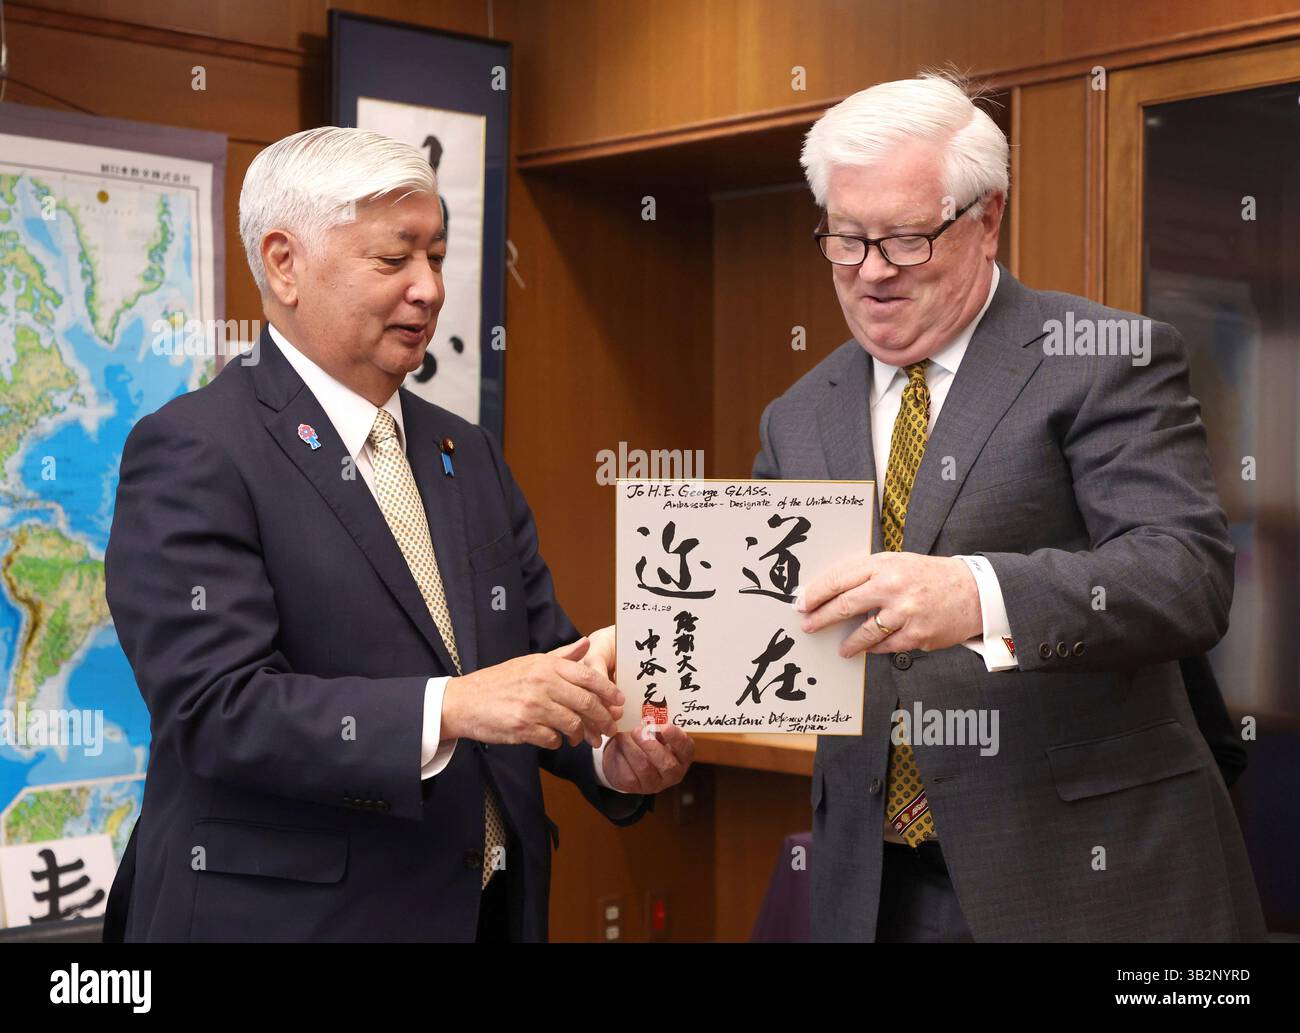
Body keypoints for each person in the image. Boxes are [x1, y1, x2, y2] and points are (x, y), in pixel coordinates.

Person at [102, 127, 694, 943]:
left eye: (439, 257)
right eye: (394, 260)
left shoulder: (466, 450)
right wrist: (450, 705)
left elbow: (537, 664)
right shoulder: (195, 449)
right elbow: (217, 708)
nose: (429, 289)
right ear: (284, 262)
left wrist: (608, 748)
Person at [754, 73, 1265, 941]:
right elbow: (771, 613)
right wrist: (657, 683)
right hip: (871, 889)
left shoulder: (1103, 358)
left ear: (986, 219)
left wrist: (979, 596)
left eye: (907, 240)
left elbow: (1184, 577)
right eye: (846, 239)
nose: (872, 272)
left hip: (1087, 879)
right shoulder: (795, 413)